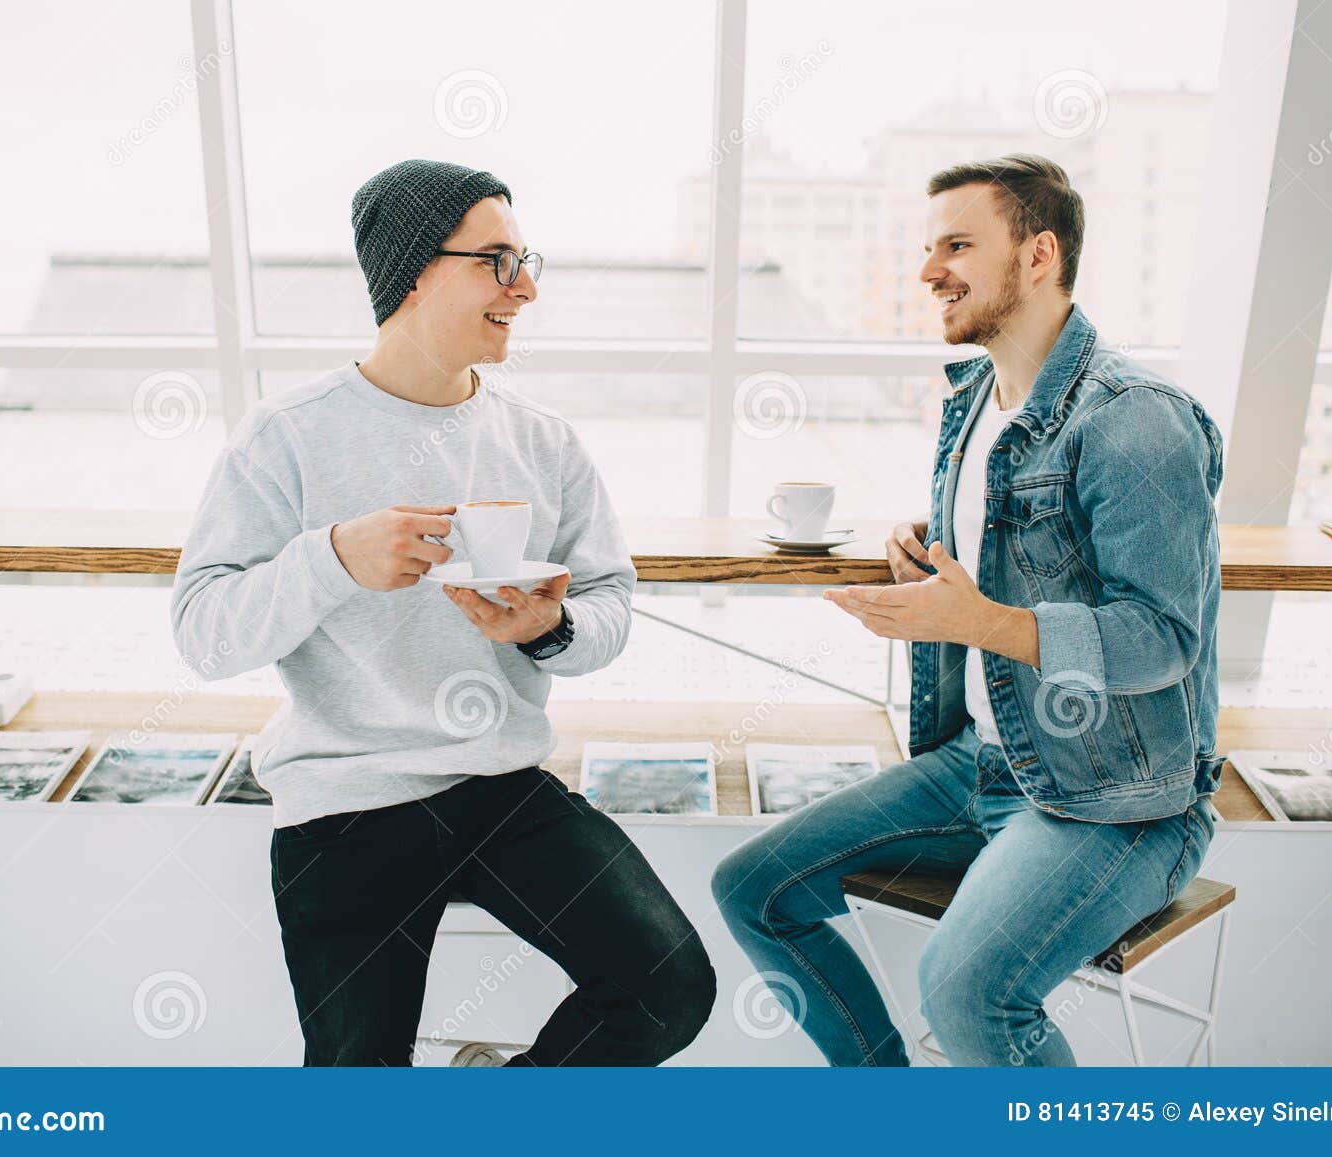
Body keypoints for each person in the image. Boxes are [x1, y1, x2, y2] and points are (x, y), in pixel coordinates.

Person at [171, 158, 714, 1067]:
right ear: (415, 271)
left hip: (502, 785)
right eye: (498, 261)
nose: (527, 287)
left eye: (525, 259)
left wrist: (548, 630)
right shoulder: (287, 435)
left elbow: (613, 599)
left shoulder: (542, 440)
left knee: (668, 986)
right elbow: (202, 633)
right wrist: (334, 557)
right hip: (347, 795)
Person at [712, 154, 1224, 1067]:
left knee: (966, 988)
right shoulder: (978, 400)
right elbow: (1019, 560)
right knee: (754, 886)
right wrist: (932, 554)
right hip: (985, 764)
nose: (926, 271)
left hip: (1116, 804)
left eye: (956, 244)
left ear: (1037, 254)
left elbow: (1164, 638)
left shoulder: (1136, 417)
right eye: (928, 246)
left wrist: (980, 620)